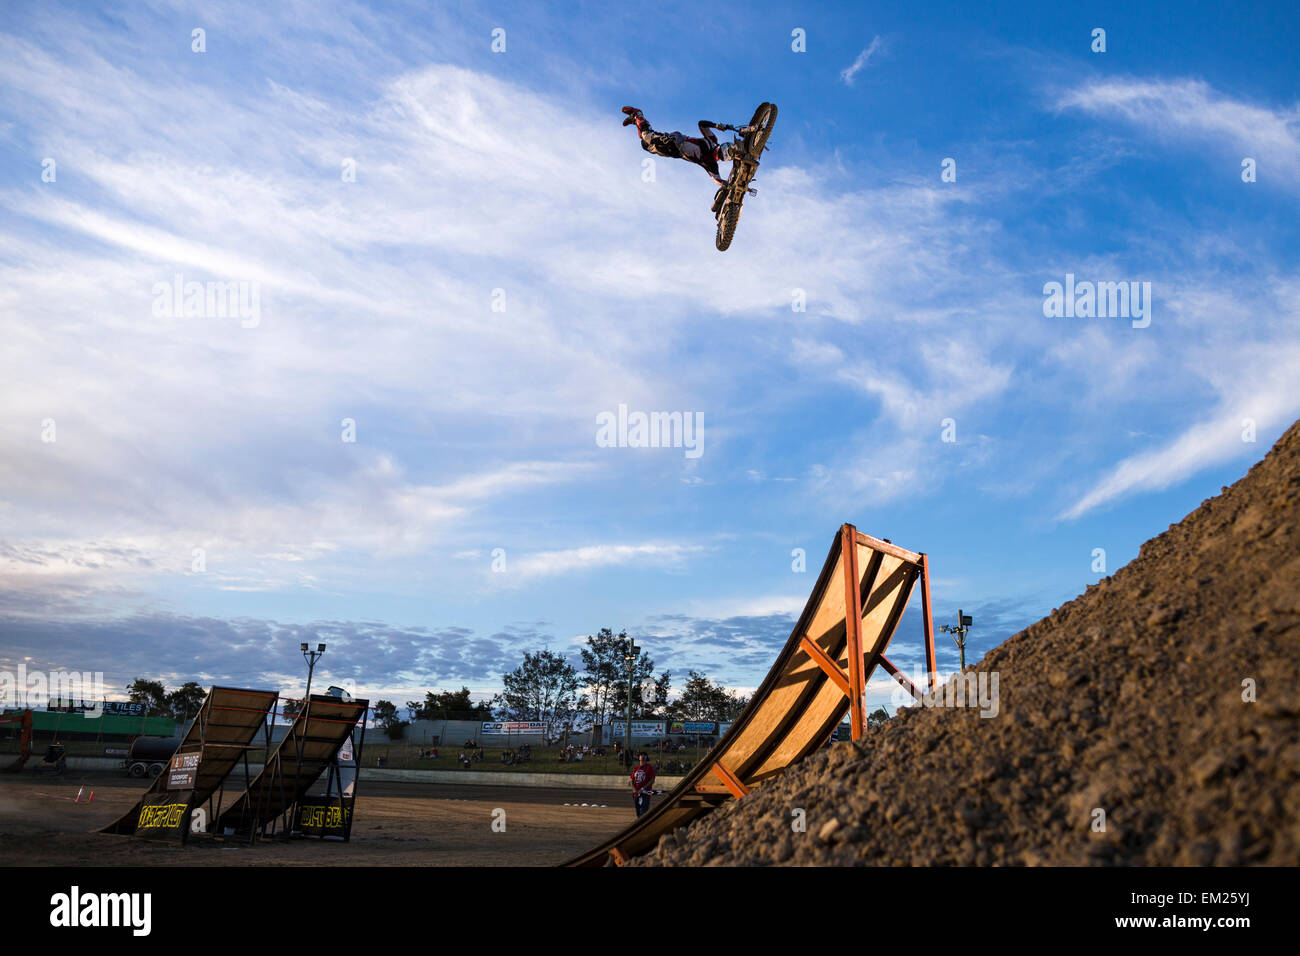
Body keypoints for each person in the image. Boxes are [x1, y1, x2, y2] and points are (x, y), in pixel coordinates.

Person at [621, 107, 751, 186]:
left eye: (726, 156)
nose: (721, 155)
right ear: (723, 146)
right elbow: (702, 124)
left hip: (674, 153)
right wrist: (718, 126)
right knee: (647, 136)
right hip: (676, 140)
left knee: (645, 145)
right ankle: (638, 113)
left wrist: (727, 184)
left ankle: (635, 120)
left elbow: (717, 179)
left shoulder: (711, 164)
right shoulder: (712, 140)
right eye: (726, 151)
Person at [630, 752, 656, 818]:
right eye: (641, 755)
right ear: (639, 758)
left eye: (644, 755)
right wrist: (634, 789)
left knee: (644, 813)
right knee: (638, 814)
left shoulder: (649, 767)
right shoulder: (636, 768)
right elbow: (631, 781)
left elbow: (652, 780)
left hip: (645, 794)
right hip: (636, 795)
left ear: (646, 758)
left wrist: (642, 789)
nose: (643, 756)